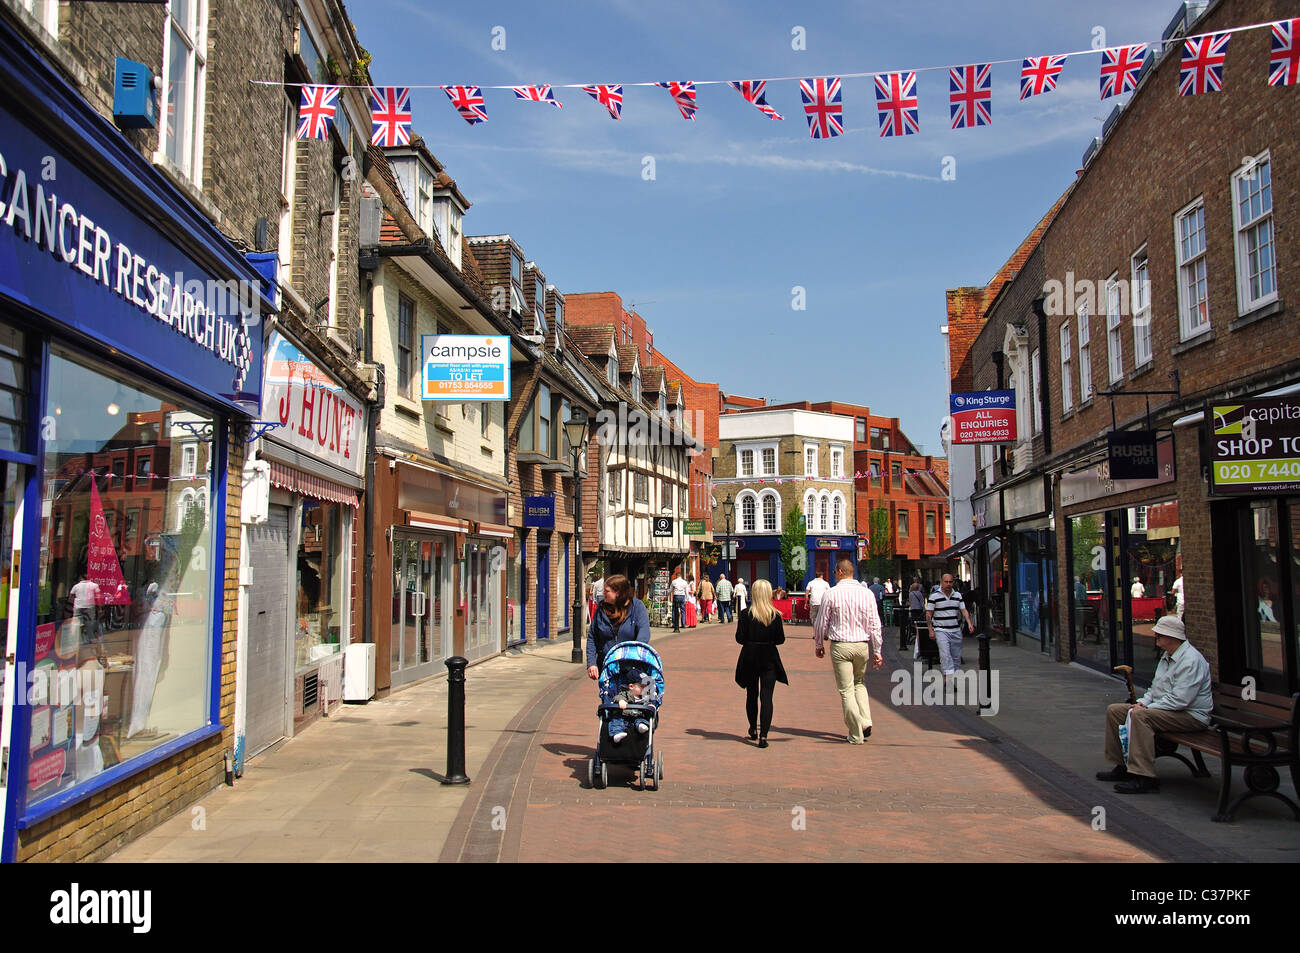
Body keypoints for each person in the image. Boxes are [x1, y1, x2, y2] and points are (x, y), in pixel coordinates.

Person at [1096, 615, 1212, 794]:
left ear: (1172, 636)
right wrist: (1142, 702)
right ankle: (1123, 765)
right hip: (1169, 710)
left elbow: (1181, 700)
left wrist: (1146, 709)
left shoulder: (1190, 661)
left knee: (1140, 716)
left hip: (1191, 716)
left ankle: (1144, 776)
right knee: (1115, 711)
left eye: (1160, 634)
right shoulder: (1168, 656)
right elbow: (1155, 689)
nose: (1156, 636)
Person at [813, 558, 882, 743]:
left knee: (846, 690)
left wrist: (819, 644)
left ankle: (855, 733)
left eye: (835, 572)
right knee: (860, 683)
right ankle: (866, 721)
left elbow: (821, 622)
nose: (834, 575)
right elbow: (875, 623)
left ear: (840, 572)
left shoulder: (832, 594)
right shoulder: (866, 594)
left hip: (841, 645)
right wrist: (877, 650)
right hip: (862, 644)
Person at [734, 579, 788, 748]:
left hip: (750, 656)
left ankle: (753, 728)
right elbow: (780, 639)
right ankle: (763, 735)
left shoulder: (745, 614)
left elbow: (739, 638)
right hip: (769, 657)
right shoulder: (775, 615)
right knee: (767, 697)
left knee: (751, 694)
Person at [586, 575, 652, 679]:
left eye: (607, 591)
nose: (603, 594)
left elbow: (643, 636)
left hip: (631, 668)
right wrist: (591, 663)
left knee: (627, 695)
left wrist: (630, 655)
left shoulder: (637, 607)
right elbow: (592, 637)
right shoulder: (601, 609)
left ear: (618, 593)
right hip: (607, 667)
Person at [926, 573, 974, 682]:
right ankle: (949, 679)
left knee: (956, 657)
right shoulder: (934, 596)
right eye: (946, 582)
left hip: (955, 629)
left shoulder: (957, 595)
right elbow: (929, 613)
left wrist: (969, 623)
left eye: (950, 582)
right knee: (945, 655)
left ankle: (952, 677)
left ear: (953, 582)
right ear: (941, 582)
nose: (948, 584)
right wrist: (930, 630)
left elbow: (963, 610)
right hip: (941, 630)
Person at [608, 670, 656, 743]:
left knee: (641, 720)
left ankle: (641, 727)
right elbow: (618, 697)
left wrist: (650, 705)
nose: (645, 689)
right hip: (624, 715)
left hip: (637, 715)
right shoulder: (626, 693)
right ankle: (617, 734)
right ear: (631, 686)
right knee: (616, 721)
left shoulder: (645, 697)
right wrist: (621, 701)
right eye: (642, 686)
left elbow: (647, 703)